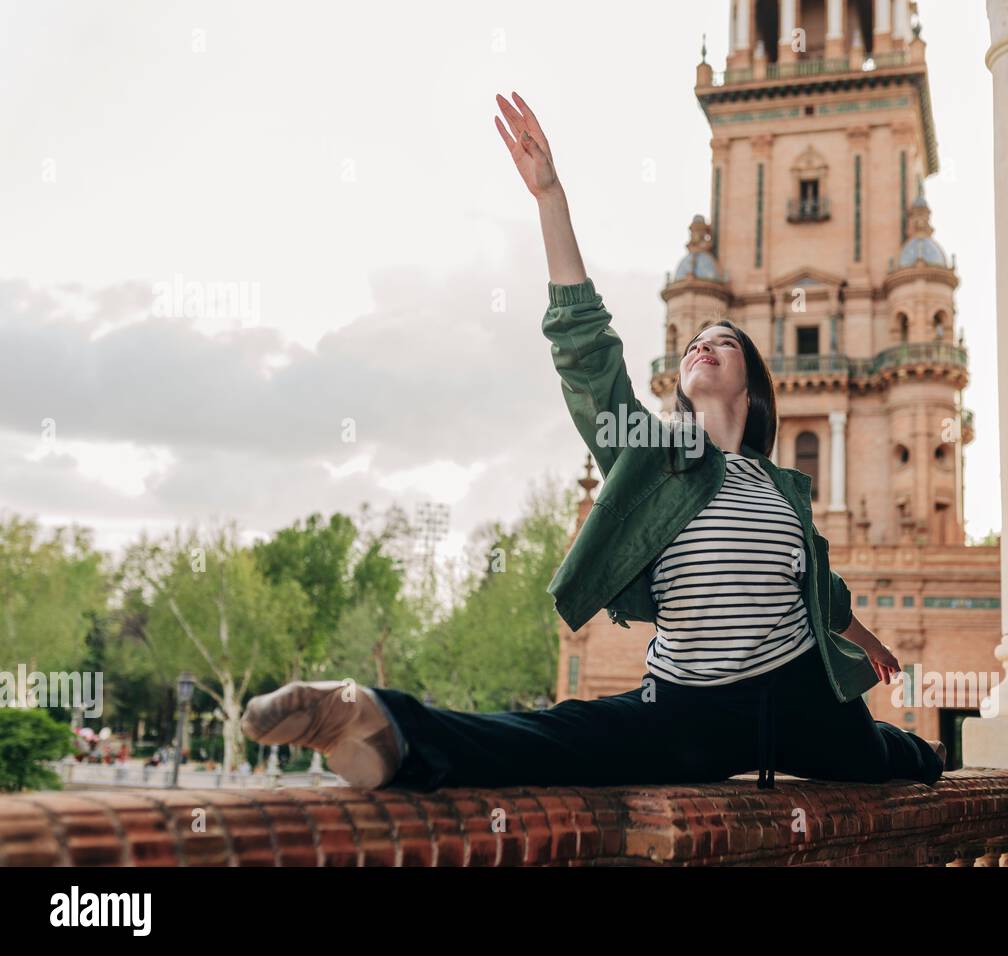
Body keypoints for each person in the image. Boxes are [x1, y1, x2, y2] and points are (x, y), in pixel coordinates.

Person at [241, 92, 945, 793]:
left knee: (896, 757)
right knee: (563, 737)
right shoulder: (654, 459)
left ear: (753, 388)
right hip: (690, 704)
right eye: (695, 340)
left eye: (722, 342)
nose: (702, 345)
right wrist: (551, 199)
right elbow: (589, 356)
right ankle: (372, 721)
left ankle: (933, 754)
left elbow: (819, 590)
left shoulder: (782, 488)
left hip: (798, 701)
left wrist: (869, 643)